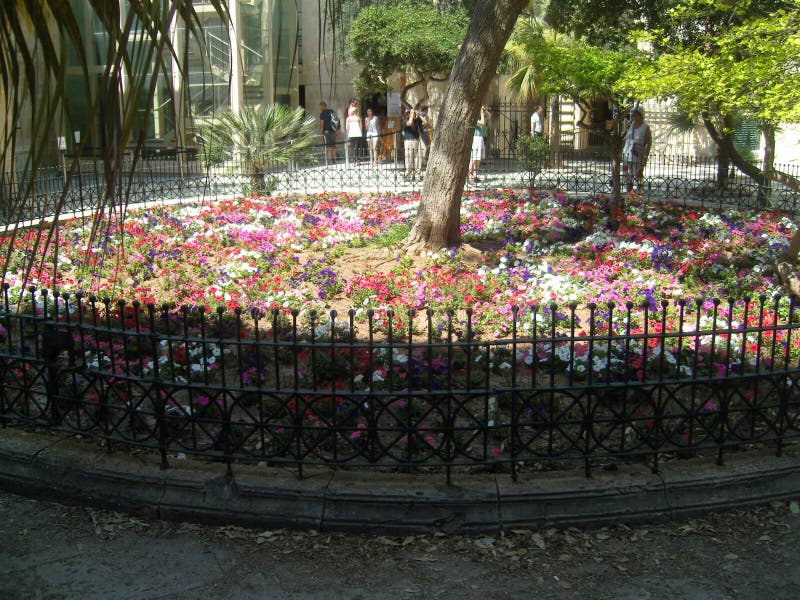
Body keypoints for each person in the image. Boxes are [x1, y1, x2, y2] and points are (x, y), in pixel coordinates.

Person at [622, 106, 652, 194]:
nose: (633, 117)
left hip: (637, 155)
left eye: (635, 115)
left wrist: (645, 155)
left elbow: (648, 142)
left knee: (638, 175)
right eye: (633, 115)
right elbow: (625, 139)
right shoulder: (630, 125)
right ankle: (629, 192)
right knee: (627, 175)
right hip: (627, 154)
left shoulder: (645, 127)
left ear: (640, 116)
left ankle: (640, 194)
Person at [401, 107, 425, 181]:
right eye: (408, 113)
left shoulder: (416, 120)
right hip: (409, 141)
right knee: (409, 158)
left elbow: (425, 122)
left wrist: (419, 114)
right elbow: (409, 123)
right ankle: (408, 174)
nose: (410, 114)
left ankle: (416, 174)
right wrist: (411, 115)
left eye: (410, 113)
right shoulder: (405, 121)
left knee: (417, 158)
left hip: (416, 140)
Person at [468, 105, 489, 185]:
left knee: (478, 158)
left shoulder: (480, 117)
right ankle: (470, 177)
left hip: (480, 138)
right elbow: (483, 123)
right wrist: (481, 113)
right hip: (475, 138)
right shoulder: (473, 119)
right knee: (473, 158)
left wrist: (484, 110)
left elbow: (489, 116)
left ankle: (475, 175)